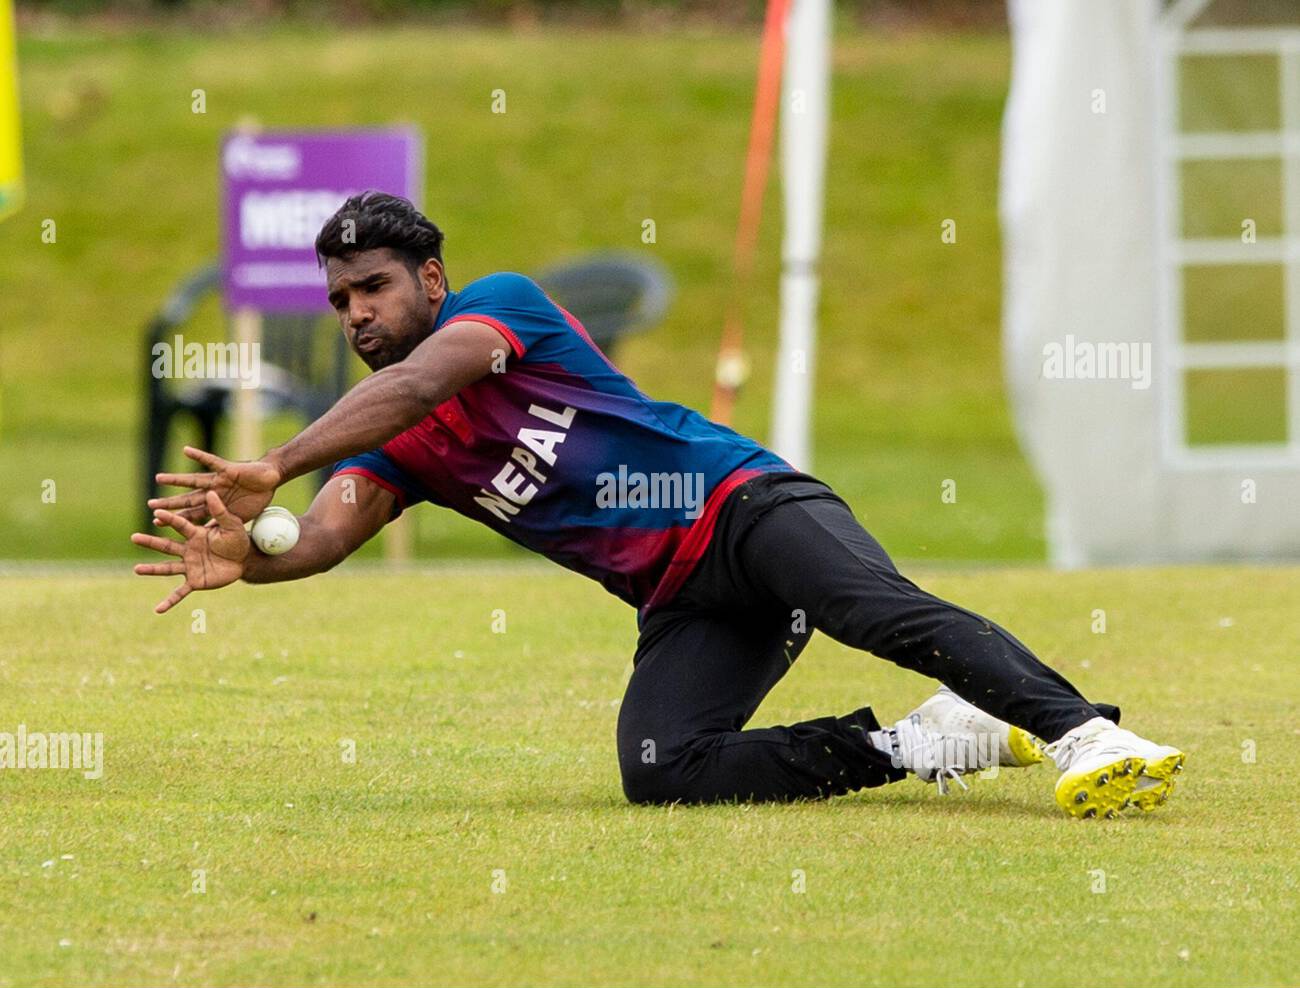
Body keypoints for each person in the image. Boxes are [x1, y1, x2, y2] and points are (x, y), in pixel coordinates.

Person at [132, 191, 1185, 819]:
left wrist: (272, 457)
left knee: (880, 611)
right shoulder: (396, 445)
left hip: (740, 503)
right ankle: (921, 744)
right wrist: (250, 560)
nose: (358, 314)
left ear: (431, 278)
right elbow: (323, 532)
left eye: (373, 287)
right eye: (341, 300)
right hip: (684, 600)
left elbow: (415, 384)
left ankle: (1085, 734)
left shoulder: (501, 308)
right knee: (658, 767)